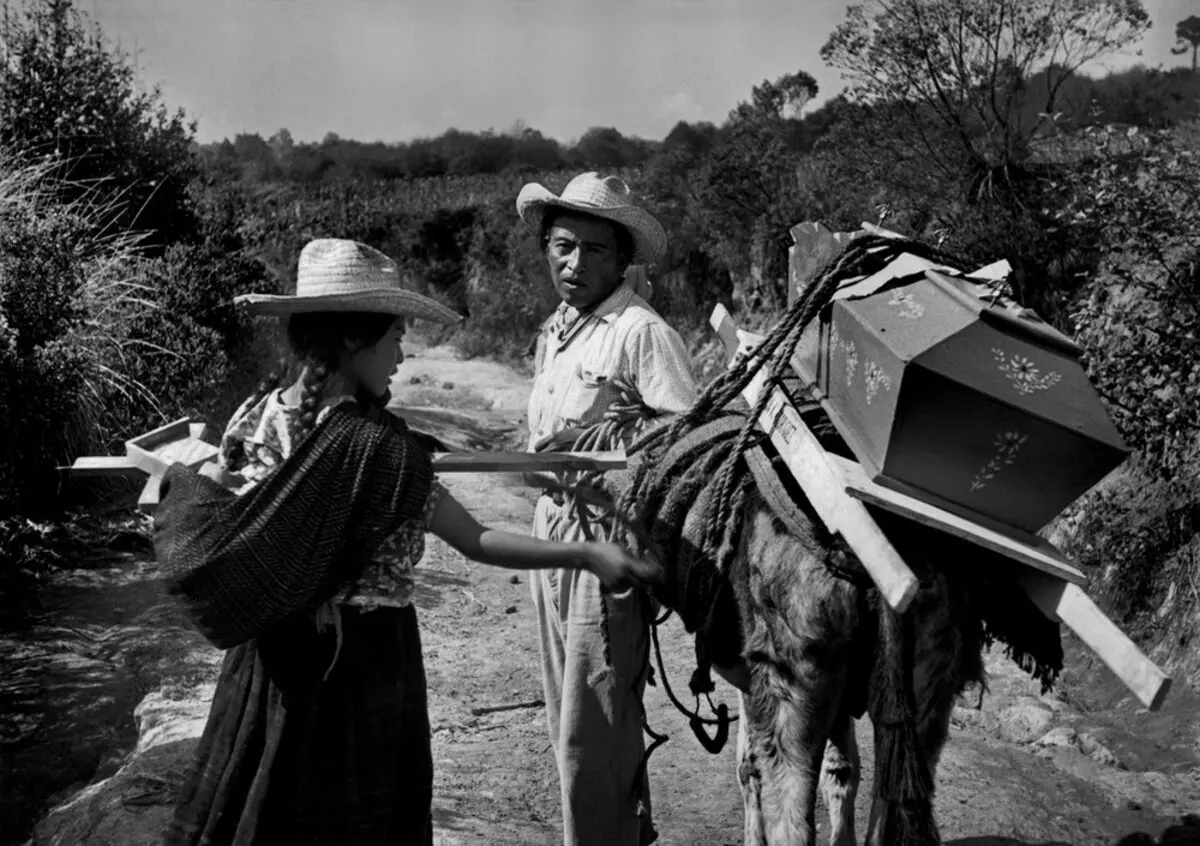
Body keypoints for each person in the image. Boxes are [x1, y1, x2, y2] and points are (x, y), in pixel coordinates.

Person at [156, 237, 663, 846]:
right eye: (396, 336)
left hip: (273, 664)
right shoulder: (384, 452)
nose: (402, 354)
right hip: (366, 666)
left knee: (270, 816)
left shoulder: (256, 419)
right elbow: (476, 539)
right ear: (353, 339)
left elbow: (224, 506)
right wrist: (584, 553)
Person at [515, 173, 700, 846]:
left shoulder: (639, 332)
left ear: (623, 261)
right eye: (563, 246)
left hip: (607, 542)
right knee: (571, 707)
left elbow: (689, 440)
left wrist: (602, 440)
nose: (575, 263)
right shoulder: (559, 331)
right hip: (553, 531)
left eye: (596, 250)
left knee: (590, 721)